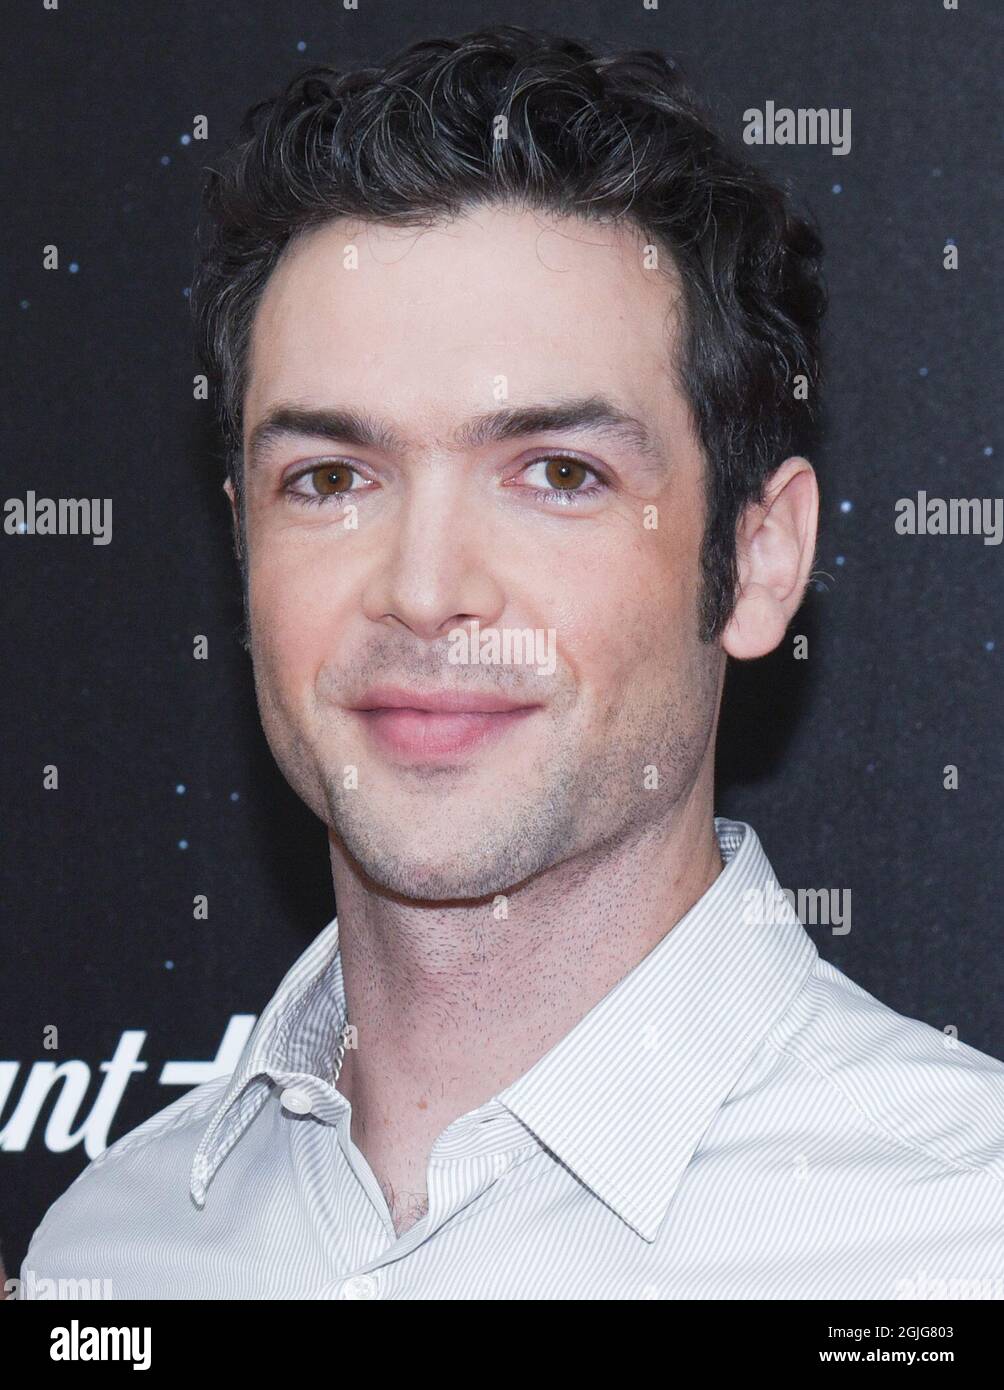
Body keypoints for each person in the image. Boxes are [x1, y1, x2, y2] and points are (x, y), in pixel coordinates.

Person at [19, 25, 1004, 1300]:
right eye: (329, 478)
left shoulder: (957, 1237)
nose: (425, 591)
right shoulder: (106, 1261)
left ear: (759, 558)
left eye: (555, 474)